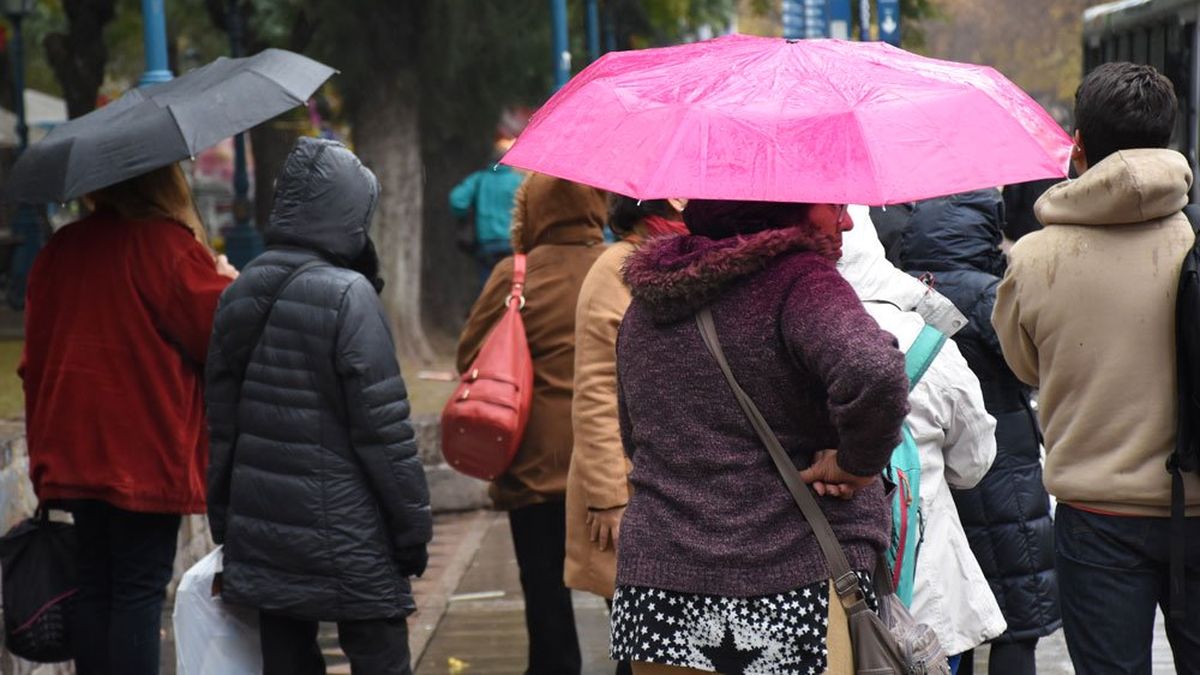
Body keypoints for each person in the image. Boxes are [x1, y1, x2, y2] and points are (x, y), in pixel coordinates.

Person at [610, 200, 910, 674]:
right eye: (834, 205)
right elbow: (873, 370)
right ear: (781, 205)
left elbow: (635, 436)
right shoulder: (800, 283)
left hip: (658, 594)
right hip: (791, 586)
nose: (846, 221)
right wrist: (857, 464)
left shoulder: (647, 304)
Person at [993, 62, 1200, 673]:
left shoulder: (1033, 258)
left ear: (1078, 144)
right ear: (1168, 136)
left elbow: (1026, 367)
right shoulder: (1192, 239)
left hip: (1096, 513)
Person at [206, 138, 432, 675]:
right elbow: (384, 432)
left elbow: (222, 429)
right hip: (353, 533)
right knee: (381, 656)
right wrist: (412, 531)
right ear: (350, 214)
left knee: (285, 659)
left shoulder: (236, 295)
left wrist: (227, 525)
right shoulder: (349, 295)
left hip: (265, 531)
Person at [20, 163, 236, 675]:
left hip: (73, 446)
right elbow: (216, 335)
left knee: (95, 582)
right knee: (139, 588)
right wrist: (227, 282)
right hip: (144, 450)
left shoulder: (60, 250)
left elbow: (35, 352)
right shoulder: (166, 247)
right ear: (164, 183)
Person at [839, 209, 1007, 669]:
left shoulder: (769, 339)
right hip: (927, 600)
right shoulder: (928, 347)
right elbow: (975, 463)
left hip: (816, 602)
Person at [901, 189, 1060, 675]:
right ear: (984, 230)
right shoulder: (989, 292)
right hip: (1003, 472)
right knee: (1016, 620)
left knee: (956, 616)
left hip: (935, 474)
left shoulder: (904, 291)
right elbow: (1029, 368)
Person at [457, 173, 607, 675]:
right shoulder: (617, 269)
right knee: (624, 596)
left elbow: (468, 356)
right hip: (606, 465)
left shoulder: (514, 274)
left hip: (534, 466)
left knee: (546, 604)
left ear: (532, 212)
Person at [563, 195, 687, 675]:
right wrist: (608, 496)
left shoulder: (671, 260)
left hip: (660, 485)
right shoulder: (616, 267)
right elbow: (596, 389)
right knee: (640, 646)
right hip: (625, 491)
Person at [449, 137, 526, 290]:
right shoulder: (518, 181)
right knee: (515, 286)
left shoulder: (479, 179)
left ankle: (490, 310)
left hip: (487, 245)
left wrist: (465, 212)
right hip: (513, 243)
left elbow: (457, 200)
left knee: (488, 288)